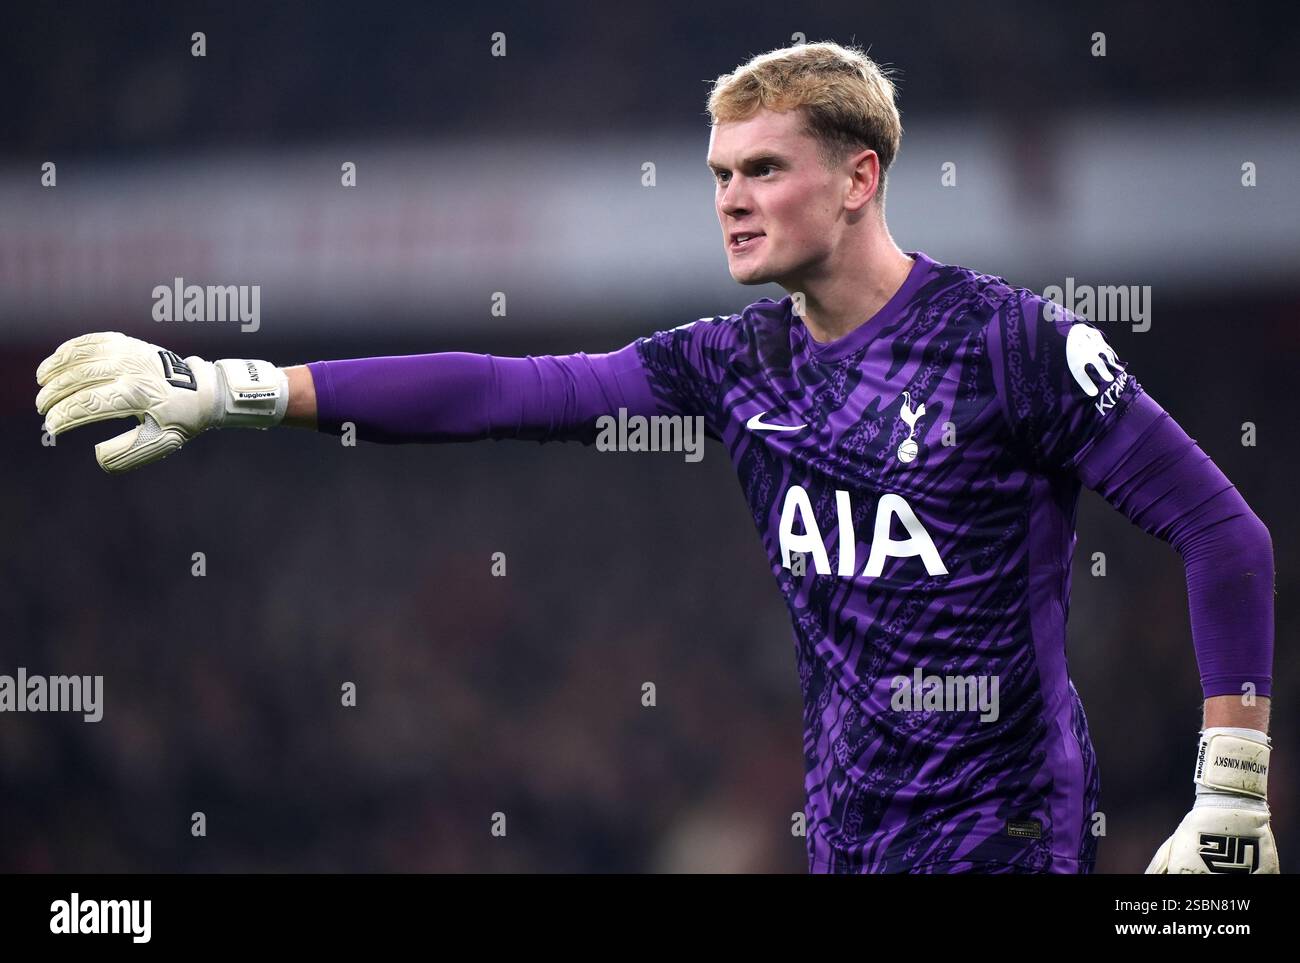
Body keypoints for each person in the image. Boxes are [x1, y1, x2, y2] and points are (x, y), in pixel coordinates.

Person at [34, 41, 1275, 874]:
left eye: (763, 170)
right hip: (843, 835)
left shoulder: (1007, 343)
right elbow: (507, 390)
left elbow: (1223, 531)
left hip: (1005, 834)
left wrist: (1229, 780)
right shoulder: (736, 364)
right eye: (718, 174)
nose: (730, 199)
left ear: (858, 178)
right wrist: (241, 387)